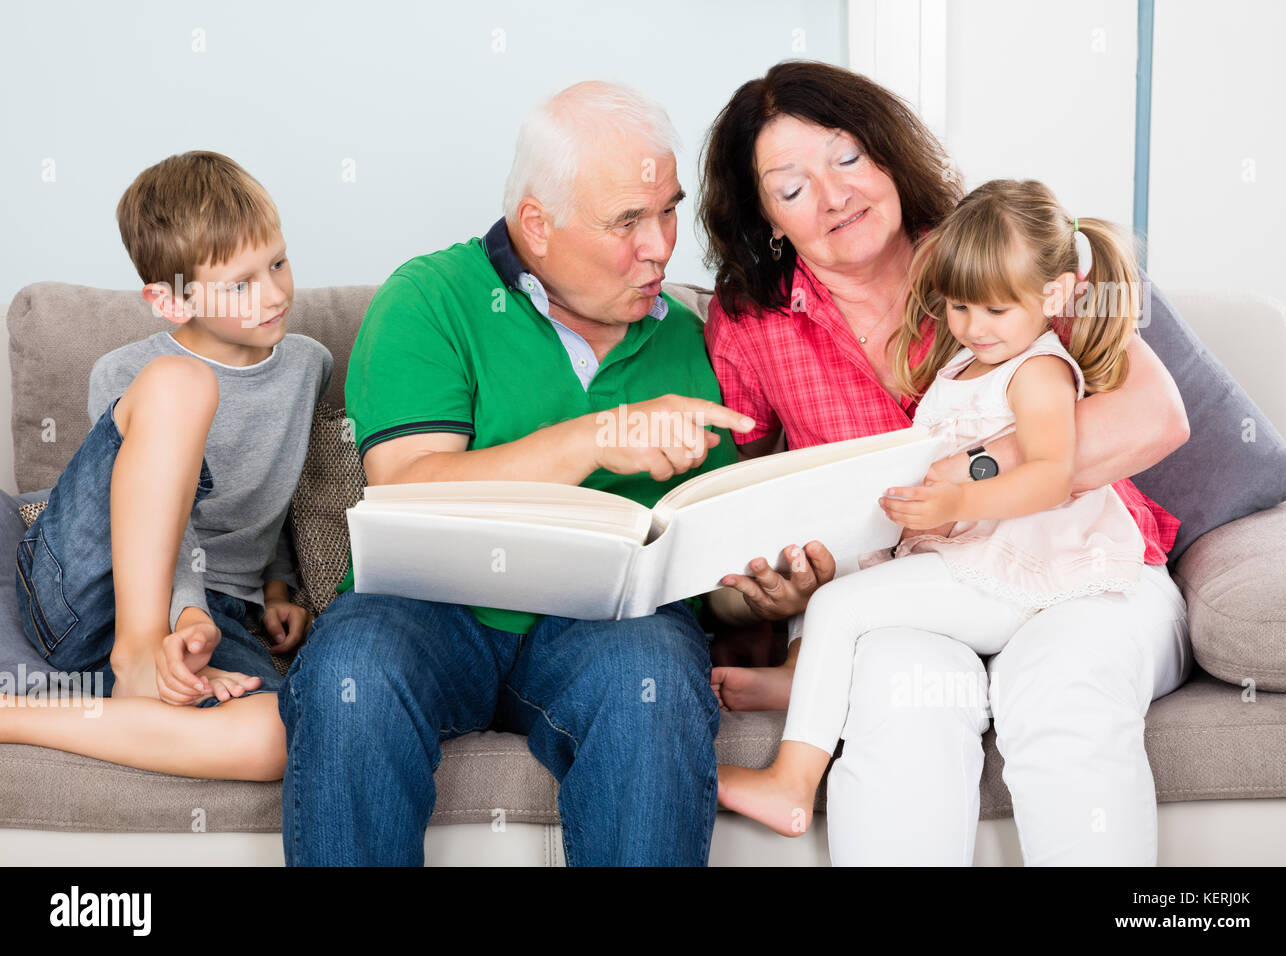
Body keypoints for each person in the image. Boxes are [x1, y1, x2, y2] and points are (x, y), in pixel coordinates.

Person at [700, 61, 1191, 864]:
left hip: (1087, 566)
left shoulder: (995, 245)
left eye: (848, 156)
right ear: (767, 218)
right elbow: (746, 497)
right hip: (926, 587)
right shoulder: (748, 321)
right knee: (900, 698)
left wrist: (976, 476)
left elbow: (1156, 414)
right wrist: (769, 584)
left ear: (889, 155)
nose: (833, 196)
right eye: (791, 188)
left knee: (1061, 691)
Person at [278, 81, 754, 866]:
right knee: (352, 668)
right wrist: (600, 437)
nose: (661, 246)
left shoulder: (688, 336)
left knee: (659, 677)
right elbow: (406, 484)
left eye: (667, 209)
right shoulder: (430, 299)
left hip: (607, 626)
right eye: (627, 221)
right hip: (431, 614)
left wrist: (759, 586)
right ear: (537, 224)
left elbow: (713, 557)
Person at [3, 151, 330, 781]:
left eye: (280, 263)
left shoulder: (307, 367)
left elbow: (291, 493)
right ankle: (135, 661)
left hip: (218, 615)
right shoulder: (129, 373)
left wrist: (276, 587)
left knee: (283, 735)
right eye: (241, 283)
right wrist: (177, 613)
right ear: (171, 301)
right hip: (89, 590)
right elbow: (151, 516)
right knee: (183, 384)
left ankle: (17, 715)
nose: (275, 293)